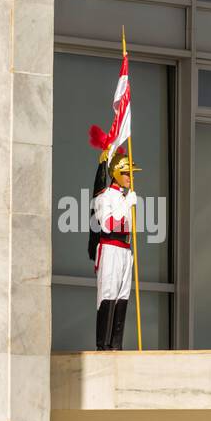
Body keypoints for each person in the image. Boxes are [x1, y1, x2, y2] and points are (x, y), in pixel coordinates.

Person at [87, 128, 140, 350]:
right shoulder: (105, 197)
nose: (130, 177)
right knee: (108, 294)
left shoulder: (124, 196)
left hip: (125, 250)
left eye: (131, 173)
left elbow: (129, 227)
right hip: (109, 248)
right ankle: (103, 345)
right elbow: (109, 225)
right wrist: (128, 206)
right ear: (116, 173)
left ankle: (116, 345)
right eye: (127, 172)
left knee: (123, 295)